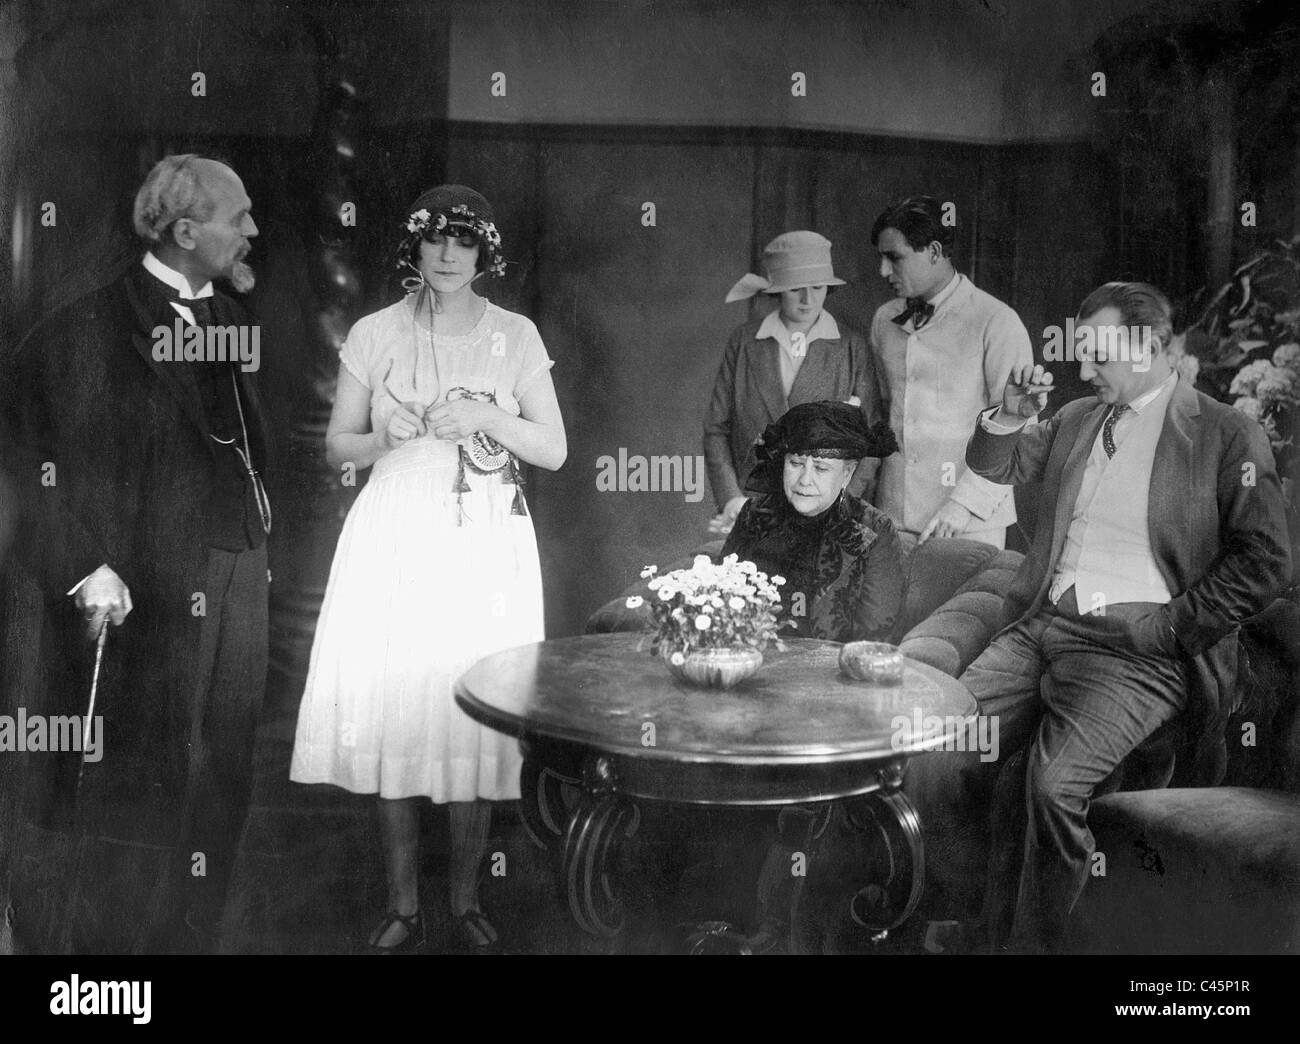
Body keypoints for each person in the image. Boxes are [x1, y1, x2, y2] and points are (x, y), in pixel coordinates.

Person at [907, 282, 1291, 952]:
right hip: (1039, 626)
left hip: (1136, 654)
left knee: (1053, 789)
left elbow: (1266, 561)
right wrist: (1009, 413)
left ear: (1150, 347)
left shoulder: (1227, 434)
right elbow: (996, 467)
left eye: (1098, 355)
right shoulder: (1081, 417)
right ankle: (963, 920)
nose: (1082, 370)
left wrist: (1171, 627)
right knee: (932, 747)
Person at [0, 154, 270, 953]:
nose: (253, 231)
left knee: (220, 773)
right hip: (137, 591)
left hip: (237, 574)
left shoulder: (229, 321)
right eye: (239, 216)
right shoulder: (78, 329)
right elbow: (17, 467)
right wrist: (84, 565)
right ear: (187, 231)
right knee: (135, 789)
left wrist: (260, 546)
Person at [289, 185, 566, 953]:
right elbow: (335, 447)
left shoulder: (515, 334)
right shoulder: (375, 332)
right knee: (399, 708)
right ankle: (404, 904)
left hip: (485, 544)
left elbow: (554, 447)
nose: (447, 256)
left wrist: (485, 416)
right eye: (435, 241)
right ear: (413, 247)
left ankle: (468, 897)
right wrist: (380, 435)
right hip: (396, 536)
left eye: (464, 243)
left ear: (485, 254)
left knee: (472, 713)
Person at [868, 196, 1032, 548]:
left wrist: (963, 505)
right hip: (892, 518)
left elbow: (1019, 428)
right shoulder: (884, 320)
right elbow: (886, 412)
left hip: (968, 522)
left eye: (894, 258)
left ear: (934, 251)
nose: (883, 271)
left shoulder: (996, 322)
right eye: (881, 258)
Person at [705, 231, 882, 537]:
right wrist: (732, 499)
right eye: (795, 289)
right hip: (752, 509)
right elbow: (716, 428)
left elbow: (871, 438)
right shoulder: (745, 342)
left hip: (825, 517)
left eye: (817, 287)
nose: (807, 300)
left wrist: (842, 502)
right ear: (776, 291)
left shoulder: (850, 346)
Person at [722, 400, 904, 642]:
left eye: (820, 468)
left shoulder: (875, 531)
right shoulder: (755, 514)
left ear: (847, 474)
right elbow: (718, 600)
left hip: (829, 674)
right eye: (796, 464)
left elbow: (874, 640)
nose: (804, 480)